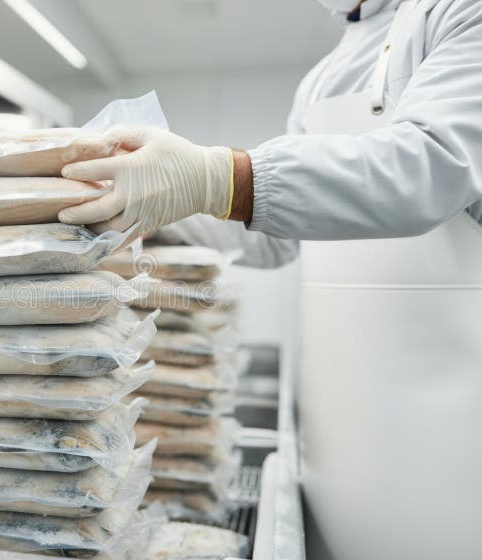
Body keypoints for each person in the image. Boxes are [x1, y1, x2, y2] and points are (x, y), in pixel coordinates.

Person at [59, 1, 482, 559]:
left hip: (449, 413)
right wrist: (155, 204)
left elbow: (434, 165)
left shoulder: (458, 12)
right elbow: (276, 235)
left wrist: (217, 176)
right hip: (340, 408)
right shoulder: (324, 76)